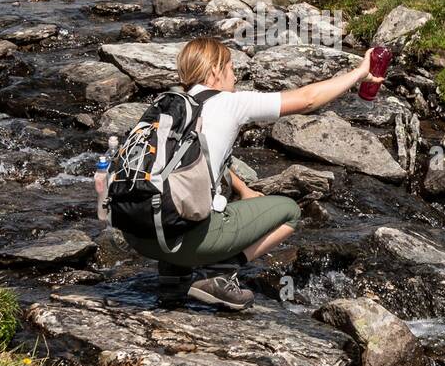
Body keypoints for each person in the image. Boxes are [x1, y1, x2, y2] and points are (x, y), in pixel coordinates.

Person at [119, 36, 385, 309]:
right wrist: (360, 72)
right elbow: (308, 100)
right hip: (183, 240)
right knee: (290, 211)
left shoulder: (173, 106)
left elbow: (190, 163)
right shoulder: (230, 103)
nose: (235, 76)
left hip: (139, 234)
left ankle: (173, 278)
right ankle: (221, 269)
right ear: (215, 71)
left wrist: (244, 190)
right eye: (232, 68)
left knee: (179, 195)